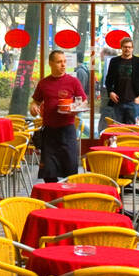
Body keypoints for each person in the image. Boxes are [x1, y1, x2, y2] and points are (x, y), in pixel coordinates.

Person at [29, 49, 86, 182]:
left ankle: (67, 199)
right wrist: (33, 107)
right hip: (49, 132)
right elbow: (35, 102)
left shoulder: (73, 82)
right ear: (51, 63)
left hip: (67, 131)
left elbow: (83, 101)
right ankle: (52, 199)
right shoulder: (44, 83)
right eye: (59, 62)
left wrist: (76, 108)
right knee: (48, 172)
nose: (63, 65)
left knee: (71, 170)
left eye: (65, 62)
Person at [104, 37, 139, 125]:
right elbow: (108, 80)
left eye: (129, 47)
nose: (127, 49)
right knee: (118, 129)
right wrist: (110, 92)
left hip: (134, 102)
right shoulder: (114, 61)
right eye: (125, 47)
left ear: (132, 48)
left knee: (132, 129)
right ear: (121, 48)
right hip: (118, 102)